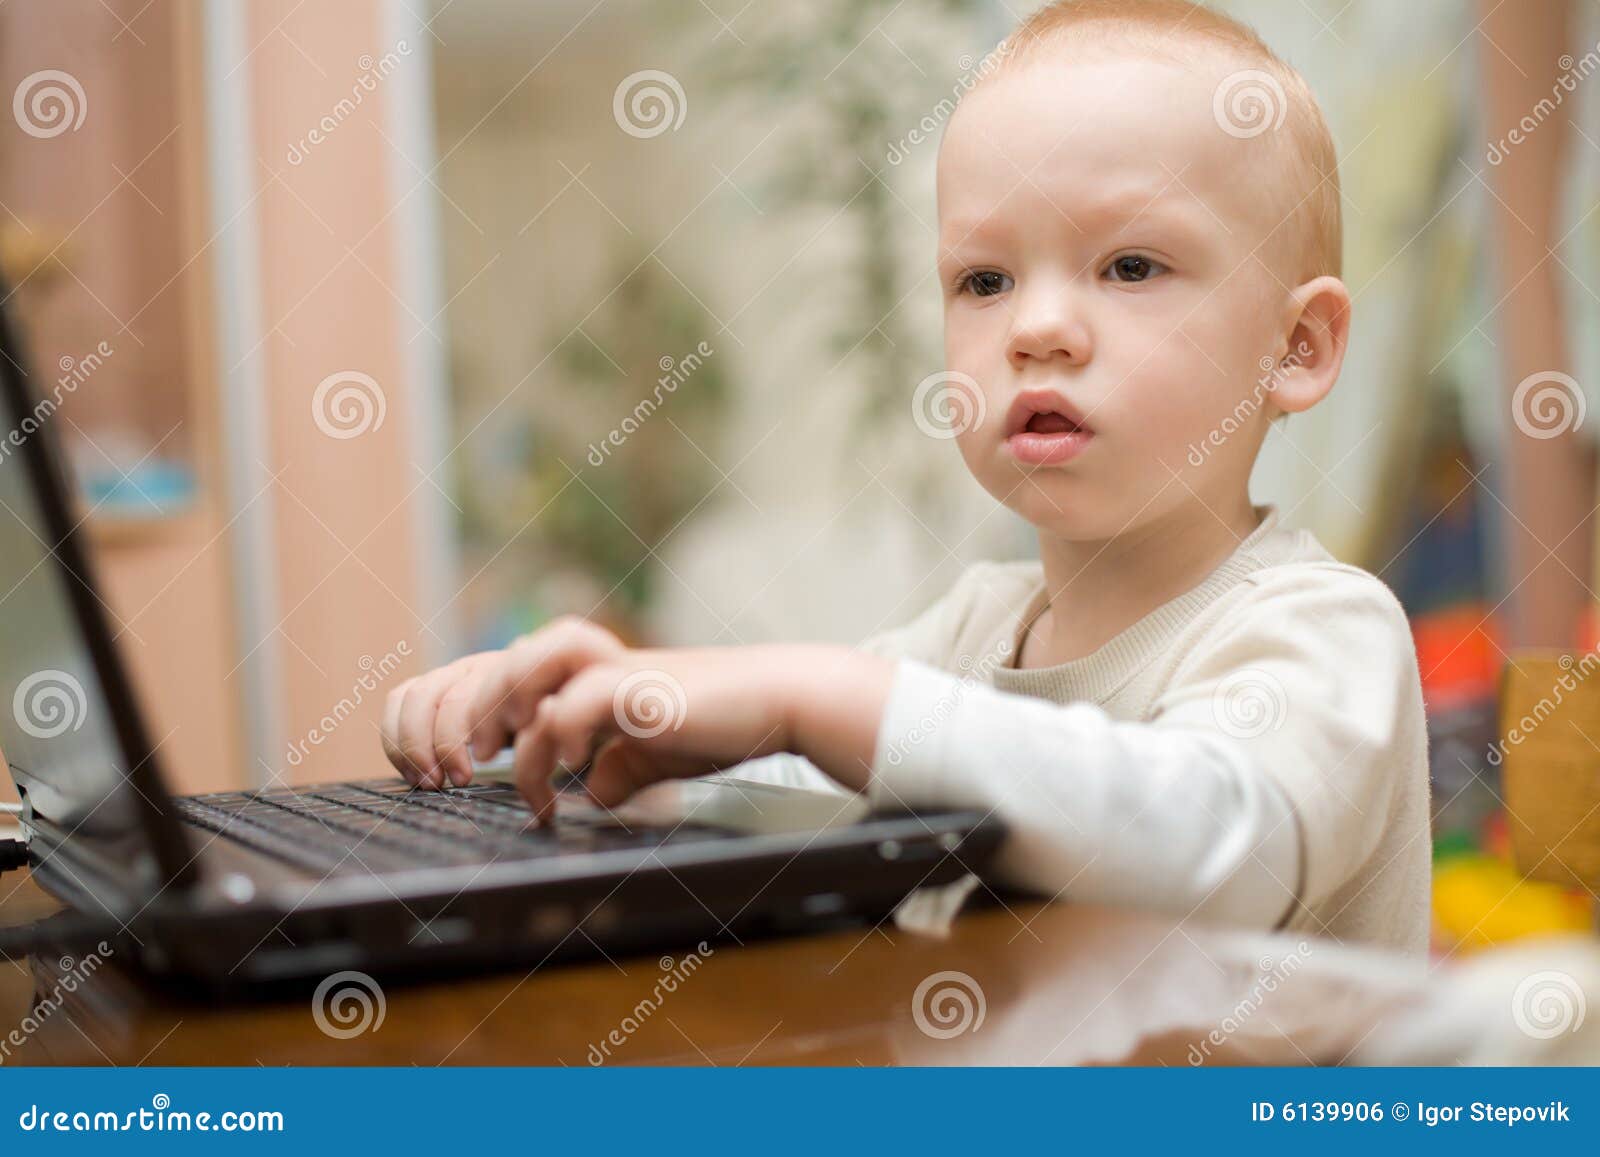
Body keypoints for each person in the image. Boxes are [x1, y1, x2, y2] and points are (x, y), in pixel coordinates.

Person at [381, 0, 1431, 953]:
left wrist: (819, 693)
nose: (1037, 328)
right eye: (983, 279)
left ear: (1295, 348)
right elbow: (778, 796)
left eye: (1129, 266)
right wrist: (598, 724)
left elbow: (1214, 850)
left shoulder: (1323, 629)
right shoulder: (971, 629)